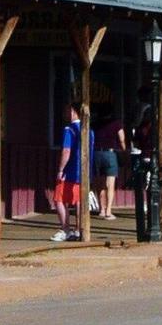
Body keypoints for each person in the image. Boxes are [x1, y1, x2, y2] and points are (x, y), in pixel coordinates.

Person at [52, 103, 94, 242]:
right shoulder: (89, 131)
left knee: (59, 199)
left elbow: (66, 150)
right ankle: (79, 229)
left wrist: (60, 169)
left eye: (67, 110)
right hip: (84, 171)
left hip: (69, 171)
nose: (65, 113)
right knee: (79, 201)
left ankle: (65, 229)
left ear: (74, 112)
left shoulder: (69, 130)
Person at [94, 105, 125, 221]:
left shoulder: (95, 124)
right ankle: (108, 211)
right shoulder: (116, 123)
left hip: (97, 153)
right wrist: (124, 150)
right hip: (110, 153)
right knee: (110, 184)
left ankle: (101, 209)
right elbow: (121, 139)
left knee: (100, 183)